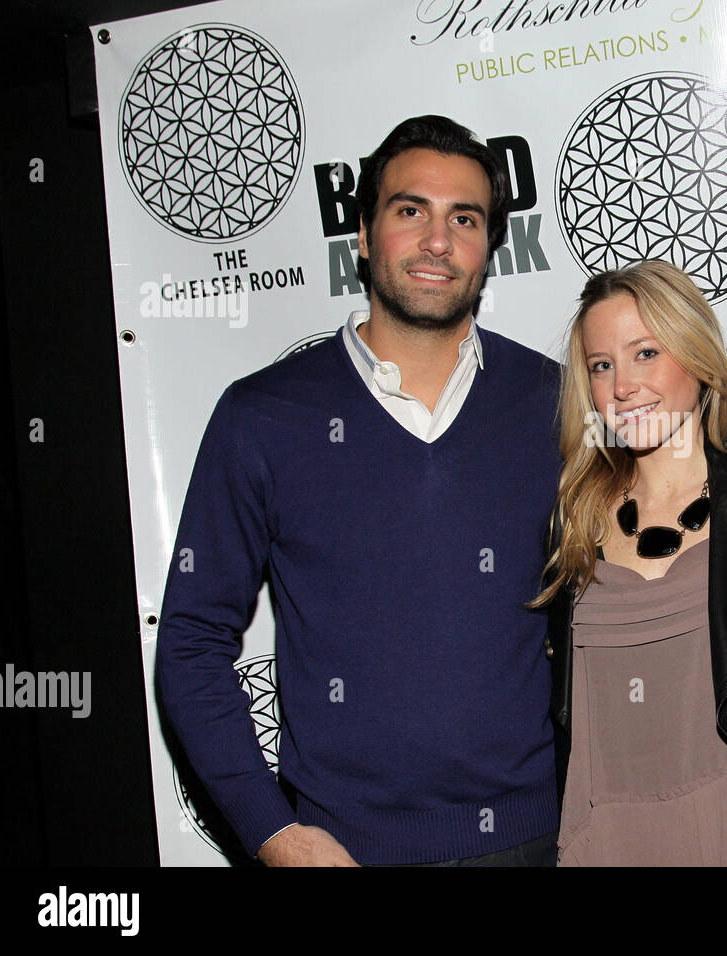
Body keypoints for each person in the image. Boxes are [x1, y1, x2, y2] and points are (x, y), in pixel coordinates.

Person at [156, 115, 562, 866]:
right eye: (410, 211)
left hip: (542, 842)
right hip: (344, 852)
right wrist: (269, 830)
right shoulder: (264, 415)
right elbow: (191, 640)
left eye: (464, 219)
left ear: (490, 248)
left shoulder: (554, 403)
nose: (437, 241)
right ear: (364, 237)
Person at [533, 260, 727, 865]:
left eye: (646, 353)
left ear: (698, 356)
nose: (622, 386)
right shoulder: (570, 525)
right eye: (601, 365)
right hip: (608, 844)